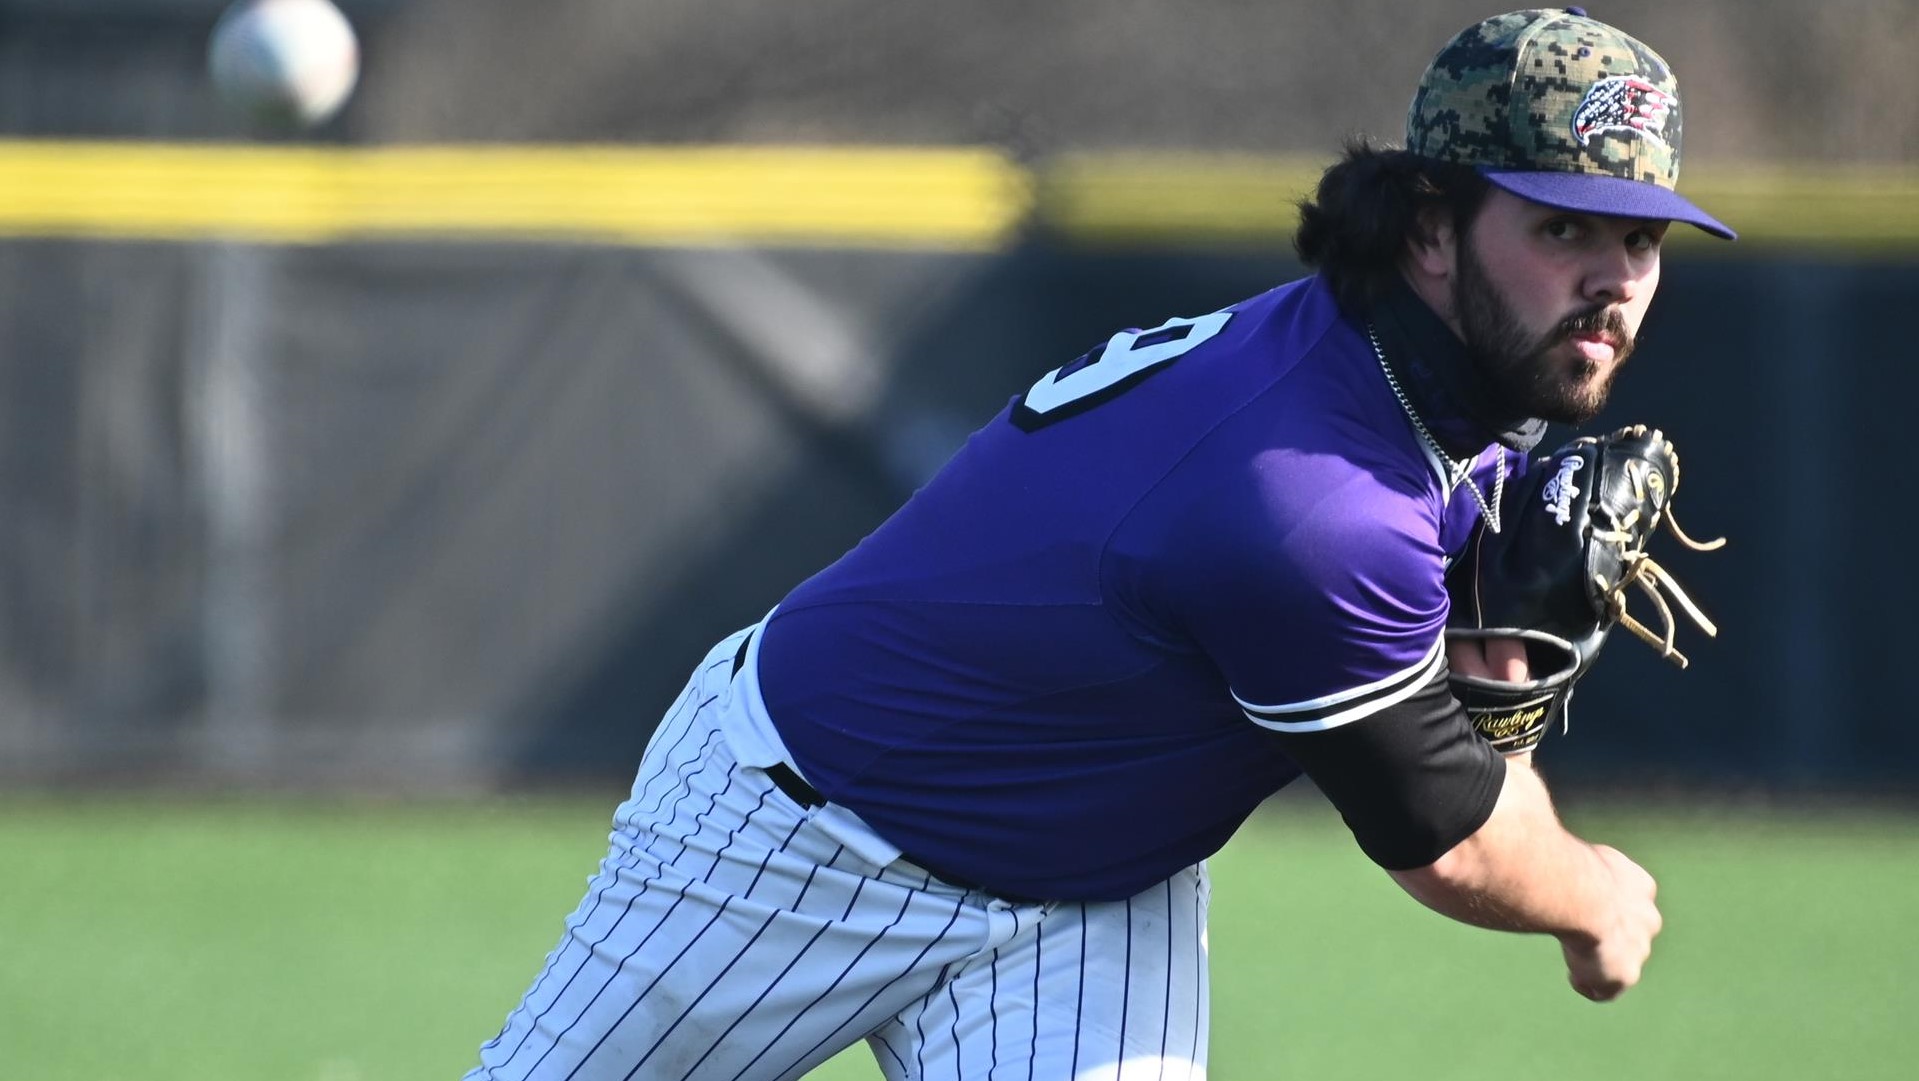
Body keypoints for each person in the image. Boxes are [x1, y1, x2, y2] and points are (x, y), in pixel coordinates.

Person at [465, 8, 1734, 1079]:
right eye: (1559, 226)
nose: (1612, 279)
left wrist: (1491, 659)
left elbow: (1451, 730)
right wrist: (1597, 902)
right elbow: (1446, 836)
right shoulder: (1309, 497)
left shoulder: (1433, 402)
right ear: (1425, 231)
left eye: (1637, 238)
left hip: (1085, 895)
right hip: (801, 829)